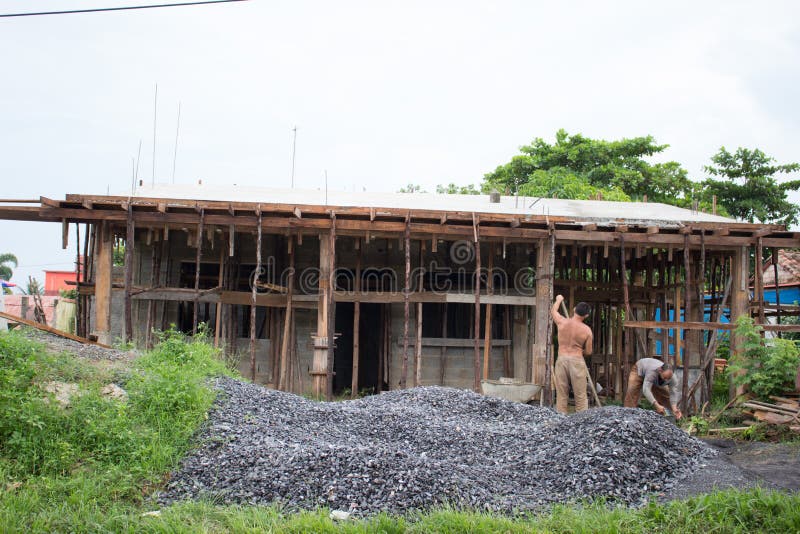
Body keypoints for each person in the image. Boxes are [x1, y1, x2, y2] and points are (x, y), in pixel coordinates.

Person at [551, 294, 593, 414]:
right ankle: (582, 423)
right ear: (586, 315)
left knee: (561, 395)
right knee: (580, 397)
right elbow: (589, 352)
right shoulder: (587, 331)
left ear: (574, 309)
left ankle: (561, 420)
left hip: (562, 359)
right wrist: (579, 350)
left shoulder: (562, 322)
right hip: (577, 361)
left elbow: (553, 311)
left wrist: (558, 299)